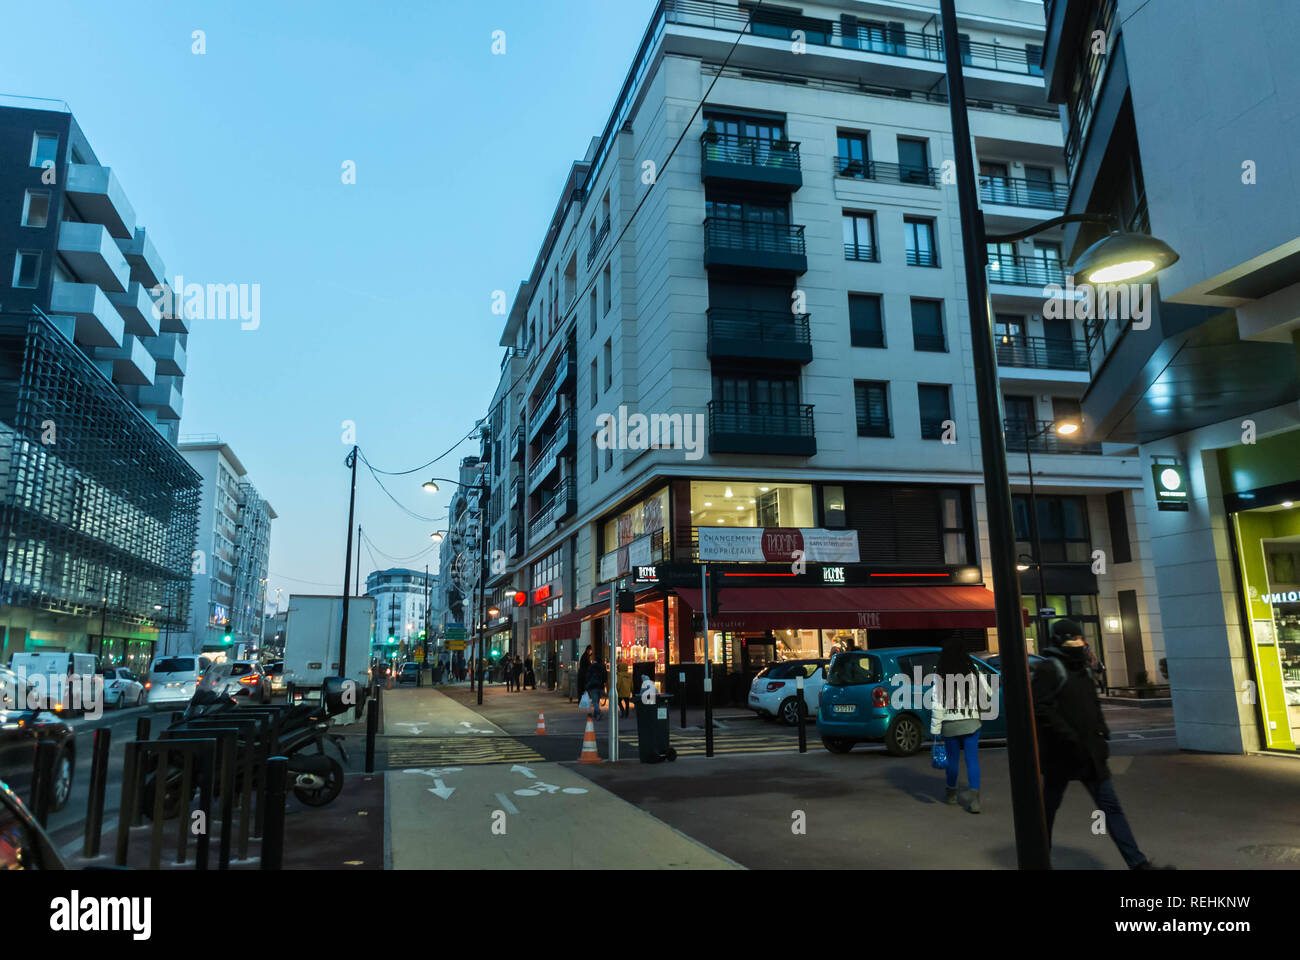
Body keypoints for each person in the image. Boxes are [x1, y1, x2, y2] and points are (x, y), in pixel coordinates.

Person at [1034, 619, 1172, 870]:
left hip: (1089, 754)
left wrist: (1102, 733)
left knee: (1109, 808)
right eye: (1071, 640)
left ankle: (1138, 864)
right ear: (1058, 641)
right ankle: (1039, 860)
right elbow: (1041, 708)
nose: (1077, 644)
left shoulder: (1083, 669)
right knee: (1047, 810)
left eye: (1079, 639)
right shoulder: (1049, 670)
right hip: (1062, 755)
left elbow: (1092, 705)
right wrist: (1069, 736)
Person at [929, 638, 988, 813]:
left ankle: (951, 794)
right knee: (972, 760)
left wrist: (935, 730)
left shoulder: (940, 676)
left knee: (953, 760)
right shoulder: (974, 672)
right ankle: (975, 800)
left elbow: (937, 705)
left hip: (950, 725)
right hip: (971, 722)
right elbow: (987, 694)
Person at [585, 653, 607, 721]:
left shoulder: (592, 666)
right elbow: (605, 677)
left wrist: (587, 683)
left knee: (594, 701)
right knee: (596, 701)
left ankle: (599, 712)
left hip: (593, 686)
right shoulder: (603, 667)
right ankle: (595, 714)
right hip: (600, 686)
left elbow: (588, 676)